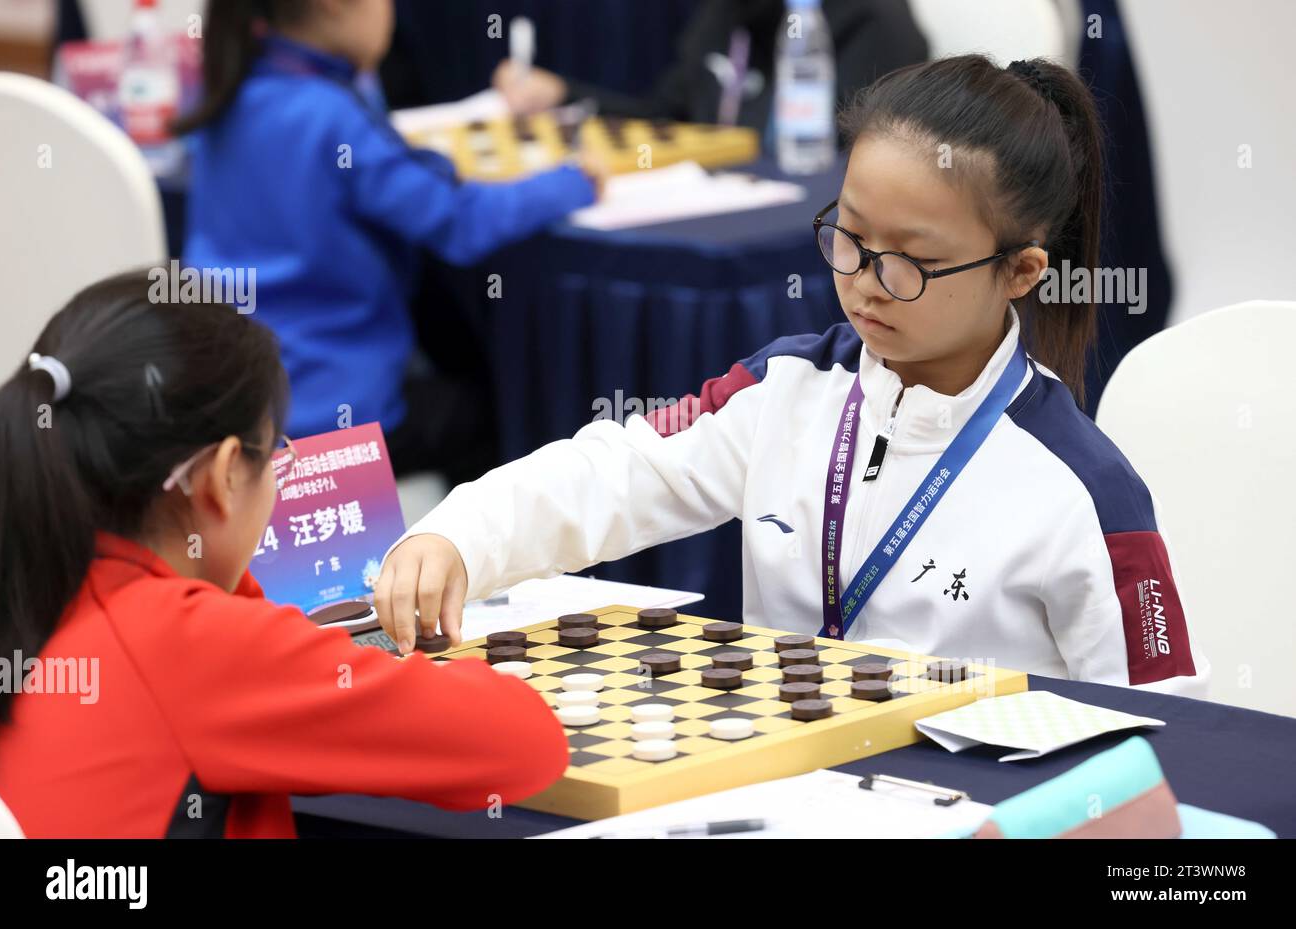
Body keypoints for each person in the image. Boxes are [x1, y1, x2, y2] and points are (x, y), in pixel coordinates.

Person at [377, 55, 1210, 698]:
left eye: (912, 263)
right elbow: (616, 472)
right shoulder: (786, 392)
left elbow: (1174, 737)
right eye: (848, 238)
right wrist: (457, 532)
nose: (865, 281)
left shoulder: (1086, 493)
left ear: (1024, 271)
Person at [0, 273, 567, 838]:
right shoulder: (189, 641)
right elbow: (525, 742)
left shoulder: (31, 573)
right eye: (276, 454)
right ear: (222, 477)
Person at [175, 0, 603, 481]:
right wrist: (573, 180)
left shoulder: (230, 88)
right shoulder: (330, 115)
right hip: (326, 411)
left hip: (231, 395)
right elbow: (460, 223)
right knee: (504, 417)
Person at [491, 0, 928, 141]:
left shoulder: (871, 21)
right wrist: (562, 95)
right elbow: (667, 114)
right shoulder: (727, 12)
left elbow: (857, 160)